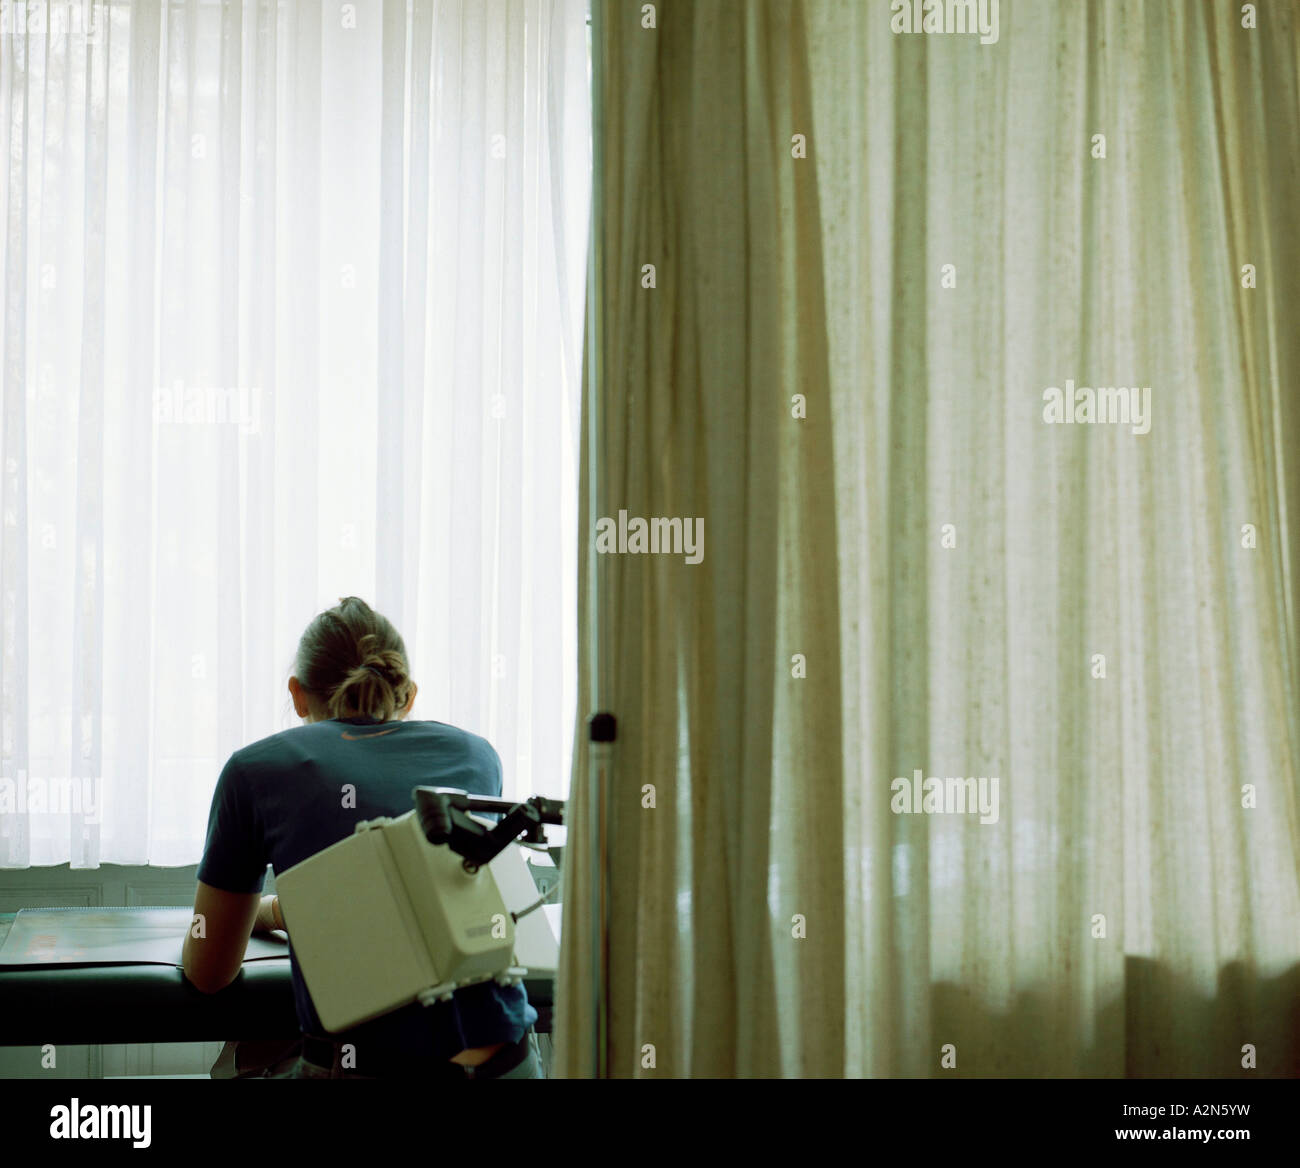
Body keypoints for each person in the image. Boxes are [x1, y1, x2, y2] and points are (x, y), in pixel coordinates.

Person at [182, 596, 542, 1079]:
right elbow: (418, 897)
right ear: (408, 694)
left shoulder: (254, 770)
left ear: (297, 695)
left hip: (366, 1068)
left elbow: (208, 973)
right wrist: (274, 912)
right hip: (510, 1062)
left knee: (239, 1064)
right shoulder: (478, 756)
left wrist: (249, 917)